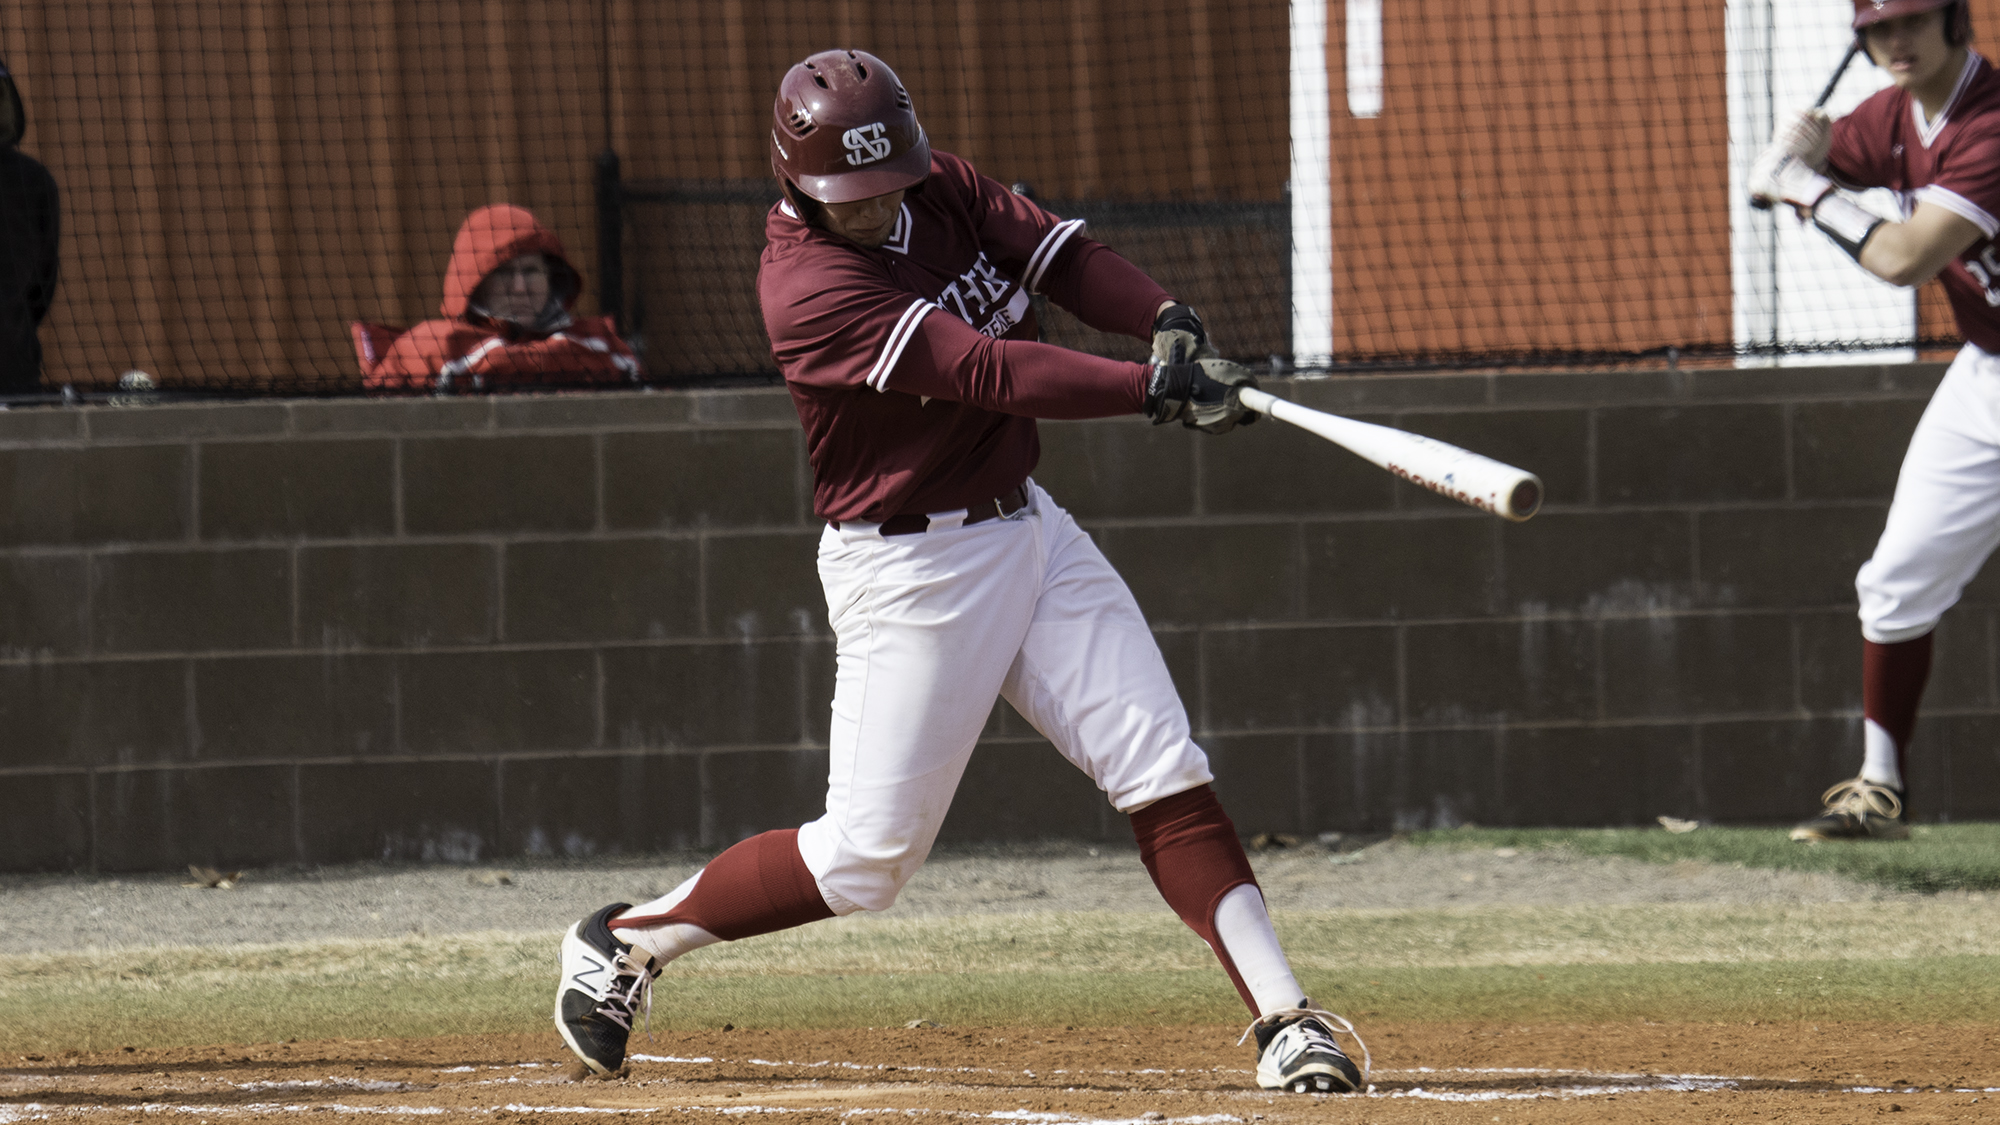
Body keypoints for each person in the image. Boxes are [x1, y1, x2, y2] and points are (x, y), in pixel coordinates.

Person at [552, 49, 1367, 1095]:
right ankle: (627, 940)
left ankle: (1286, 1021)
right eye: (854, 192)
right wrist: (1147, 390)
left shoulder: (938, 183)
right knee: (863, 862)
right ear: (796, 178)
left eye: (891, 178)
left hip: (1029, 530)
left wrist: (1162, 321)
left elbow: (1061, 259)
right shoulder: (805, 286)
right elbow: (987, 371)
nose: (879, 203)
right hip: (912, 571)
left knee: (1160, 765)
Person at [1749, 0, 1998, 841]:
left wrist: (1806, 189)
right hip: (1987, 370)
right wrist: (1795, 158)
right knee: (1894, 584)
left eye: (1915, 19)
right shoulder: (1889, 114)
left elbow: (1904, 257)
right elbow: (1814, 167)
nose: (1897, 39)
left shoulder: (1992, 124)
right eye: (1879, 25)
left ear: (1956, 20)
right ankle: (1879, 787)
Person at [356, 203, 640, 391]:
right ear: (473, 284)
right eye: (503, 273)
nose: (520, 287)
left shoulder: (601, 345)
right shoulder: (430, 347)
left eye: (531, 271)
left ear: (552, 278)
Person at [0, 58, 60, 394]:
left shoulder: (31, 181)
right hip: (14, 366)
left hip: (12, 371)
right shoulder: (33, 180)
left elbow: (42, 278)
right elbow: (42, 282)